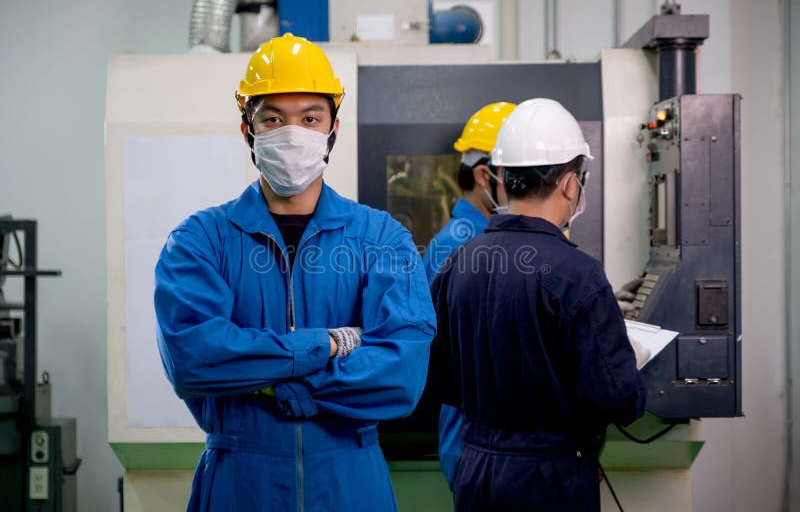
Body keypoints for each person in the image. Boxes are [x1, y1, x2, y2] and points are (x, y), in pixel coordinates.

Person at [154, 33, 436, 511]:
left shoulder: (382, 239)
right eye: (272, 119)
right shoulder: (200, 240)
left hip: (349, 482)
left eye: (309, 118)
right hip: (241, 483)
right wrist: (325, 345)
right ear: (247, 130)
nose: (291, 134)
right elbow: (193, 359)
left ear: (333, 128)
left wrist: (269, 383)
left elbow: (400, 376)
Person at [429, 98, 647, 511]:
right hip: (550, 478)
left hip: (476, 469)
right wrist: (625, 359)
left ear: (502, 178)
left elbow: (440, 380)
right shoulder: (578, 273)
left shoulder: (459, 261)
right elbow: (620, 401)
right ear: (570, 183)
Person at [421, 101, 516, 488]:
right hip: (475, 439)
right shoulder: (458, 245)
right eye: (520, 175)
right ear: (483, 174)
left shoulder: (492, 239)